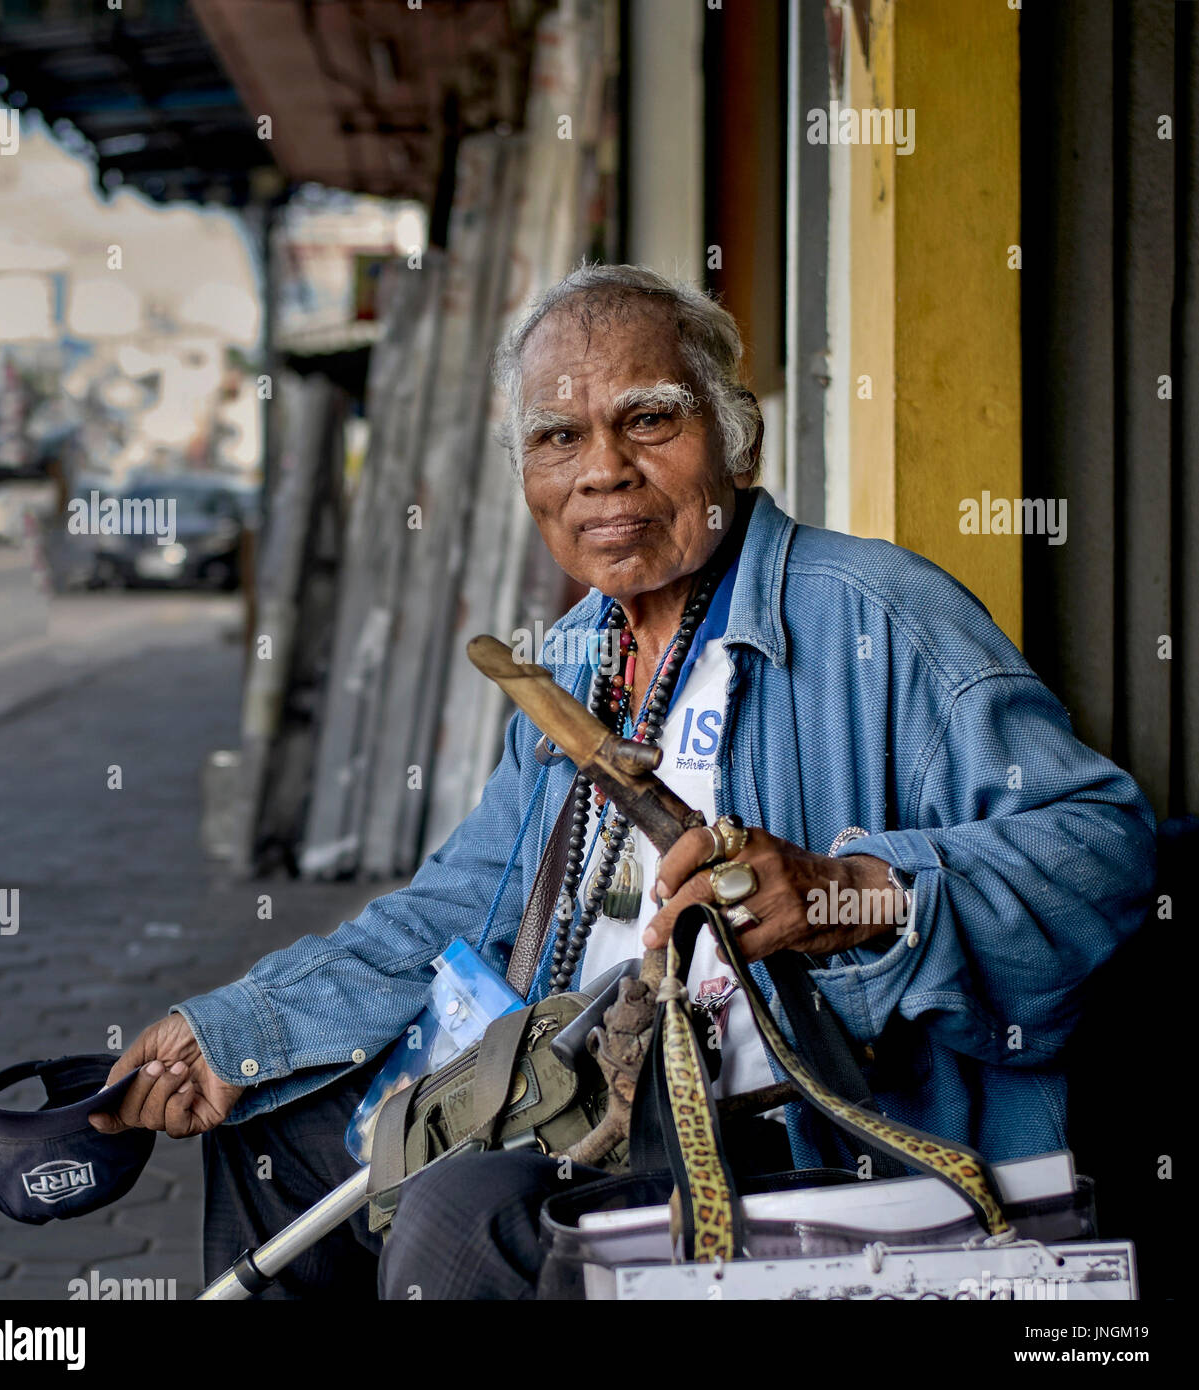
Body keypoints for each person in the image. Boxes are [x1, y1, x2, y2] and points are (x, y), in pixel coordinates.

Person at [89, 264, 1155, 1300]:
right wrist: (236, 1030)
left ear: (736, 439)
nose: (602, 470)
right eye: (558, 438)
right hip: (582, 1101)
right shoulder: (568, 661)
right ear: (528, 478)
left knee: (464, 1221)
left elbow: (1102, 847)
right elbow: (460, 909)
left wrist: (847, 891)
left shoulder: (878, 614)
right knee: (272, 1135)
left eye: (647, 421)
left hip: (793, 1142)